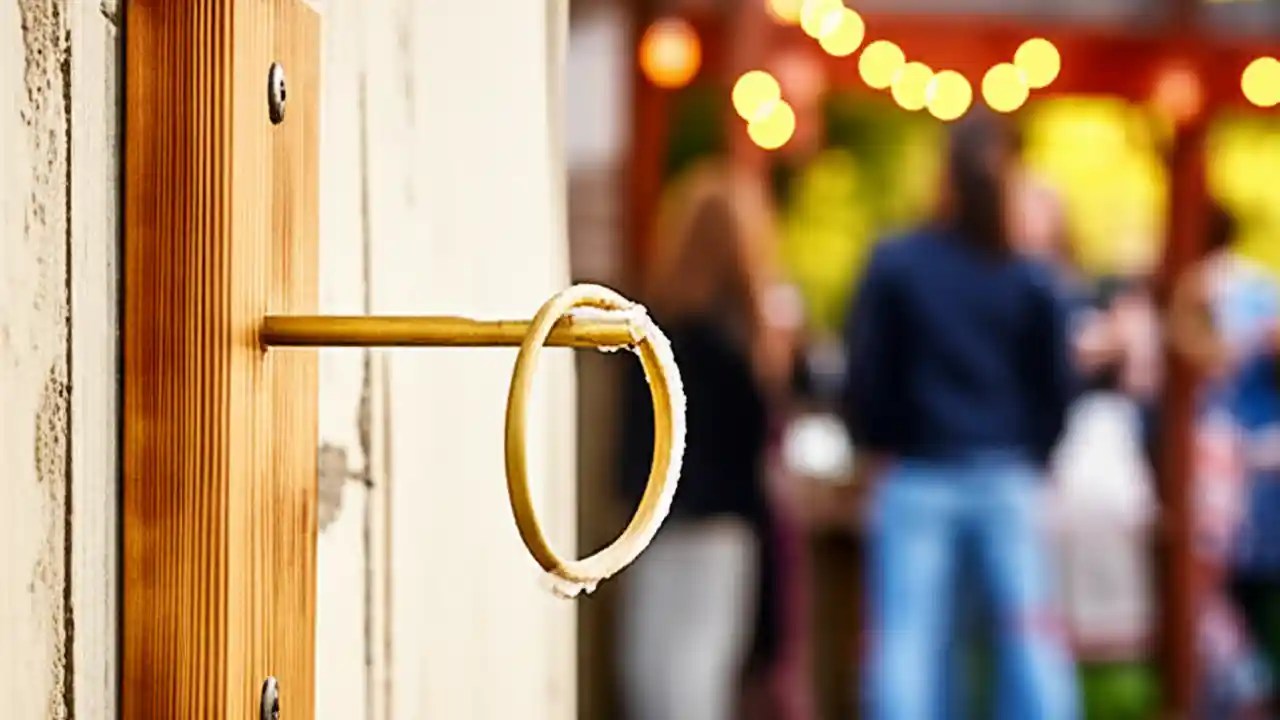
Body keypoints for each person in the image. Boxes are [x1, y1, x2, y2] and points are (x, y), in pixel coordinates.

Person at [843, 111, 1079, 720]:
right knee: (1029, 636)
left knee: (909, 641)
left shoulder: (897, 263)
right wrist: (1037, 450)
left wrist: (878, 441)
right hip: (1006, 473)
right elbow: (1056, 384)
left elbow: (867, 373)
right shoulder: (1028, 278)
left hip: (920, 469)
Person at [616, 151, 796, 720]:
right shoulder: (746, 342)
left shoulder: (647, 332)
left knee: (649, 664)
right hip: (723, 520)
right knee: (700, 667)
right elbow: (754, 445)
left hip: (654, 519)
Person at [1168, 204, 1280, 717]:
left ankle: (1240, 686)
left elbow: (1206, 354)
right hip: (1241, 459)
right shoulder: (1257, 287)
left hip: (1225, 458)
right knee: (1228, 586)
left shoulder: (1211, 286)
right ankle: (1241, 683)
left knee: (1214, 580)